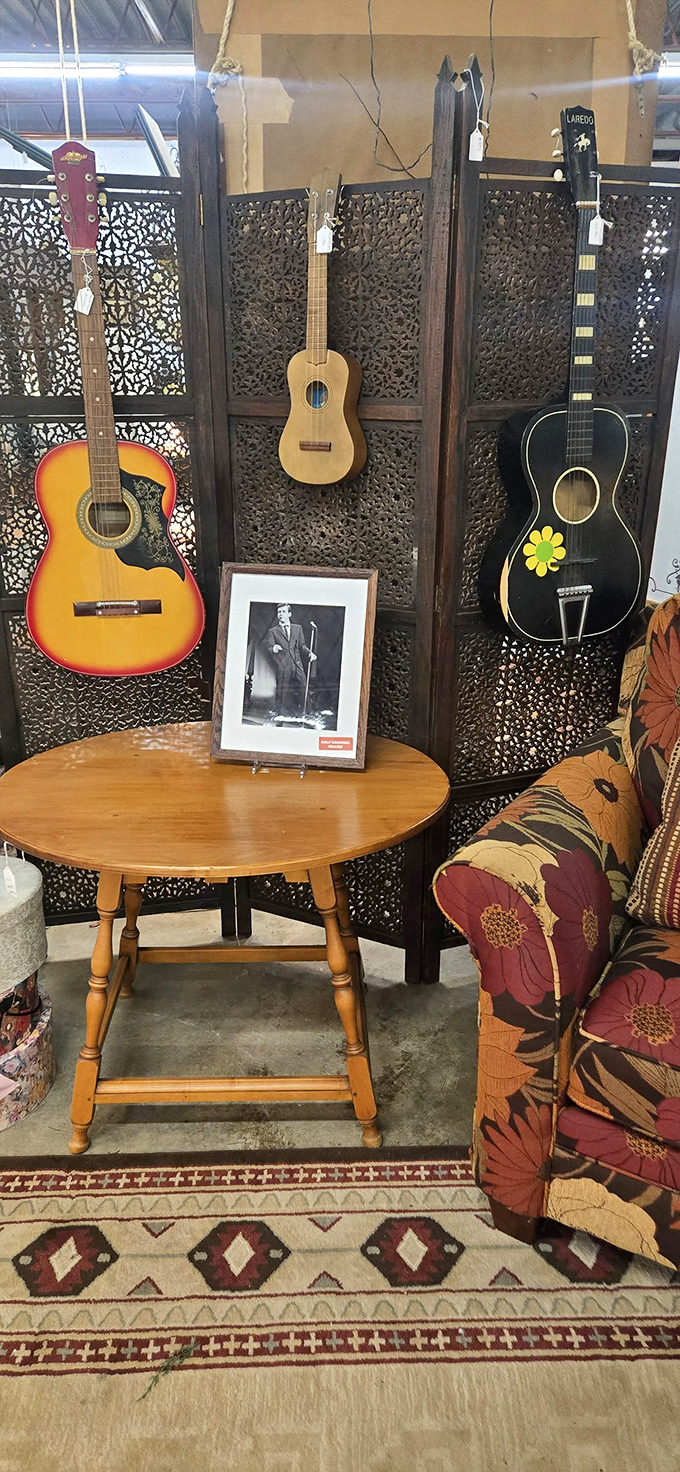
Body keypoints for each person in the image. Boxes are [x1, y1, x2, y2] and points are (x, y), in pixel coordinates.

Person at [264, 602, 317, 719]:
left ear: (289, 614)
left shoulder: (298, 629)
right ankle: (280, 718)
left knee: (304, 689)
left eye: (283, 612)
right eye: (279, 612)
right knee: (282, 693)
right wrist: (273, 648)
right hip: (283, 666)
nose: (281, 614)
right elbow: (269, 646)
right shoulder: (272, 631)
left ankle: (309, 716)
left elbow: (302, 646)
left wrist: (309, 653)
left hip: (297, 665)